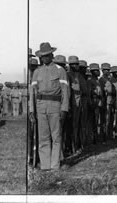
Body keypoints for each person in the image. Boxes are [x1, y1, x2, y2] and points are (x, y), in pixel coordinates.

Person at [29, 42, 69, 170]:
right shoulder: (37, 72)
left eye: (47, 55)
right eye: (42, 56)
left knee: (56, 137)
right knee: (43, 137)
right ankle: (45, 166)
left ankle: (55, 165)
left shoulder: (60, 70)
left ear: (52, 55)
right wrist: (31, 110)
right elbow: (32, 92)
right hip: (40, 106)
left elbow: (65, 91)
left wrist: (64, 108)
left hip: (55, 106)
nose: (44, 58)